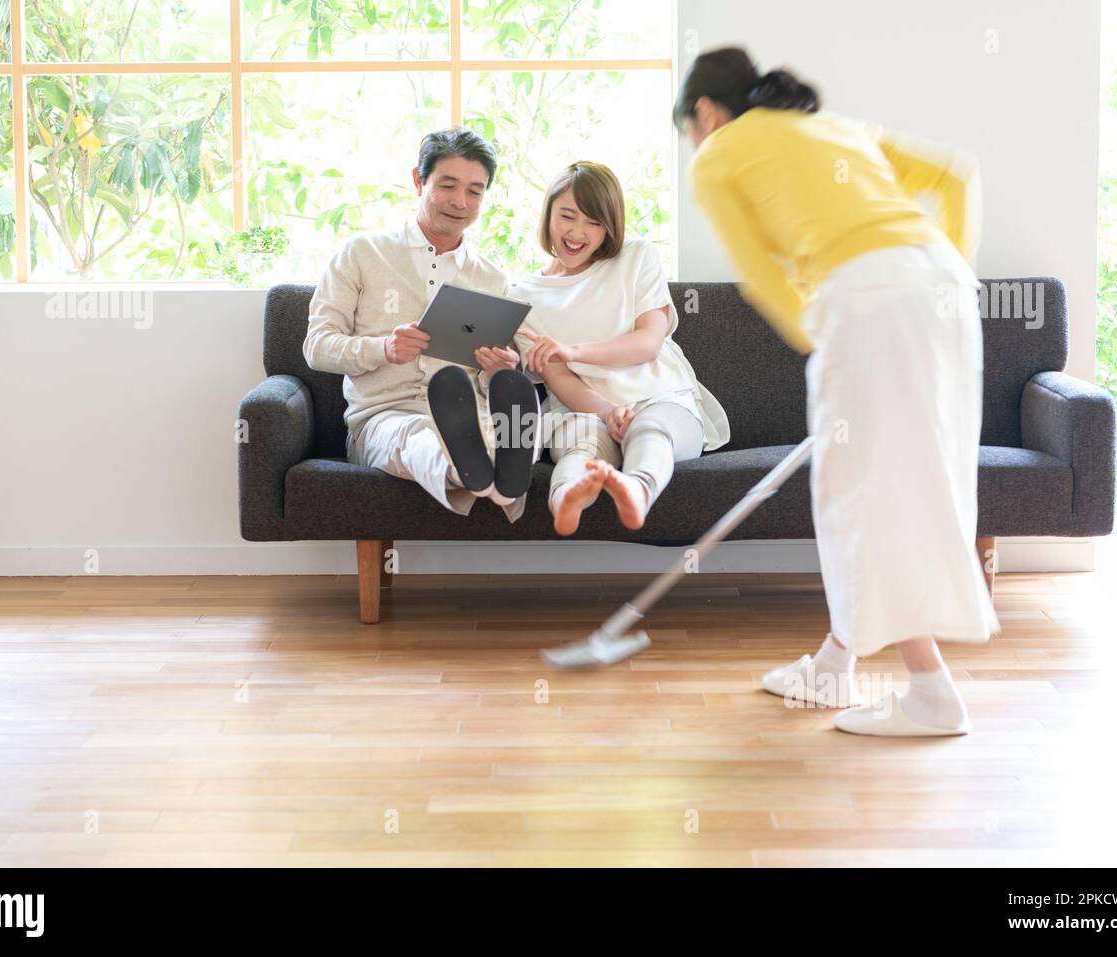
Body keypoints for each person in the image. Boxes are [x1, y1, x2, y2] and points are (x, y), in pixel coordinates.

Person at [678, 46, 1000, 736]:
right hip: (939, 286)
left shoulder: (717, 153)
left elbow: (760, 274)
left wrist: (827, 337)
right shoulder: (832, 128)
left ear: (705, 113)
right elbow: (957, 173)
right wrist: (938, 281)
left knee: (871, 490)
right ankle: (834, 666)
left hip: (870, 298)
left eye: (689, 130)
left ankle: (931, 691)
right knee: (885, 477)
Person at [303, 128, 542, 522]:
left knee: (505, 417)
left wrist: (496, 371)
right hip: (386, 416)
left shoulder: (492, 279)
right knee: (417, 440)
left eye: (475, 191)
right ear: (418, 180)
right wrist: (383, 348)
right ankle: (481, 471)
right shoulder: (363, 253)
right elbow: (317, 347)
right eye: (448, 185)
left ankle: (488, 463)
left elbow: (493, 373)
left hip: (471, 408)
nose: (460, 202)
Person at [509, 161, 730, 536]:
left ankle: (637, 487)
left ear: (609, 227)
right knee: (582, 447)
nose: (577, 233)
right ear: (548, 215)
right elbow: (558, 377)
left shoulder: (637, 256)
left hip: (661, 397)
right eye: (567, 216)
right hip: (586, 410)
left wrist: (573, 350)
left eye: (594, 223)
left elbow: (647, 343)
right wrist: (608, 412)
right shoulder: (523, 297)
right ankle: (566, 500)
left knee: (650, 429)